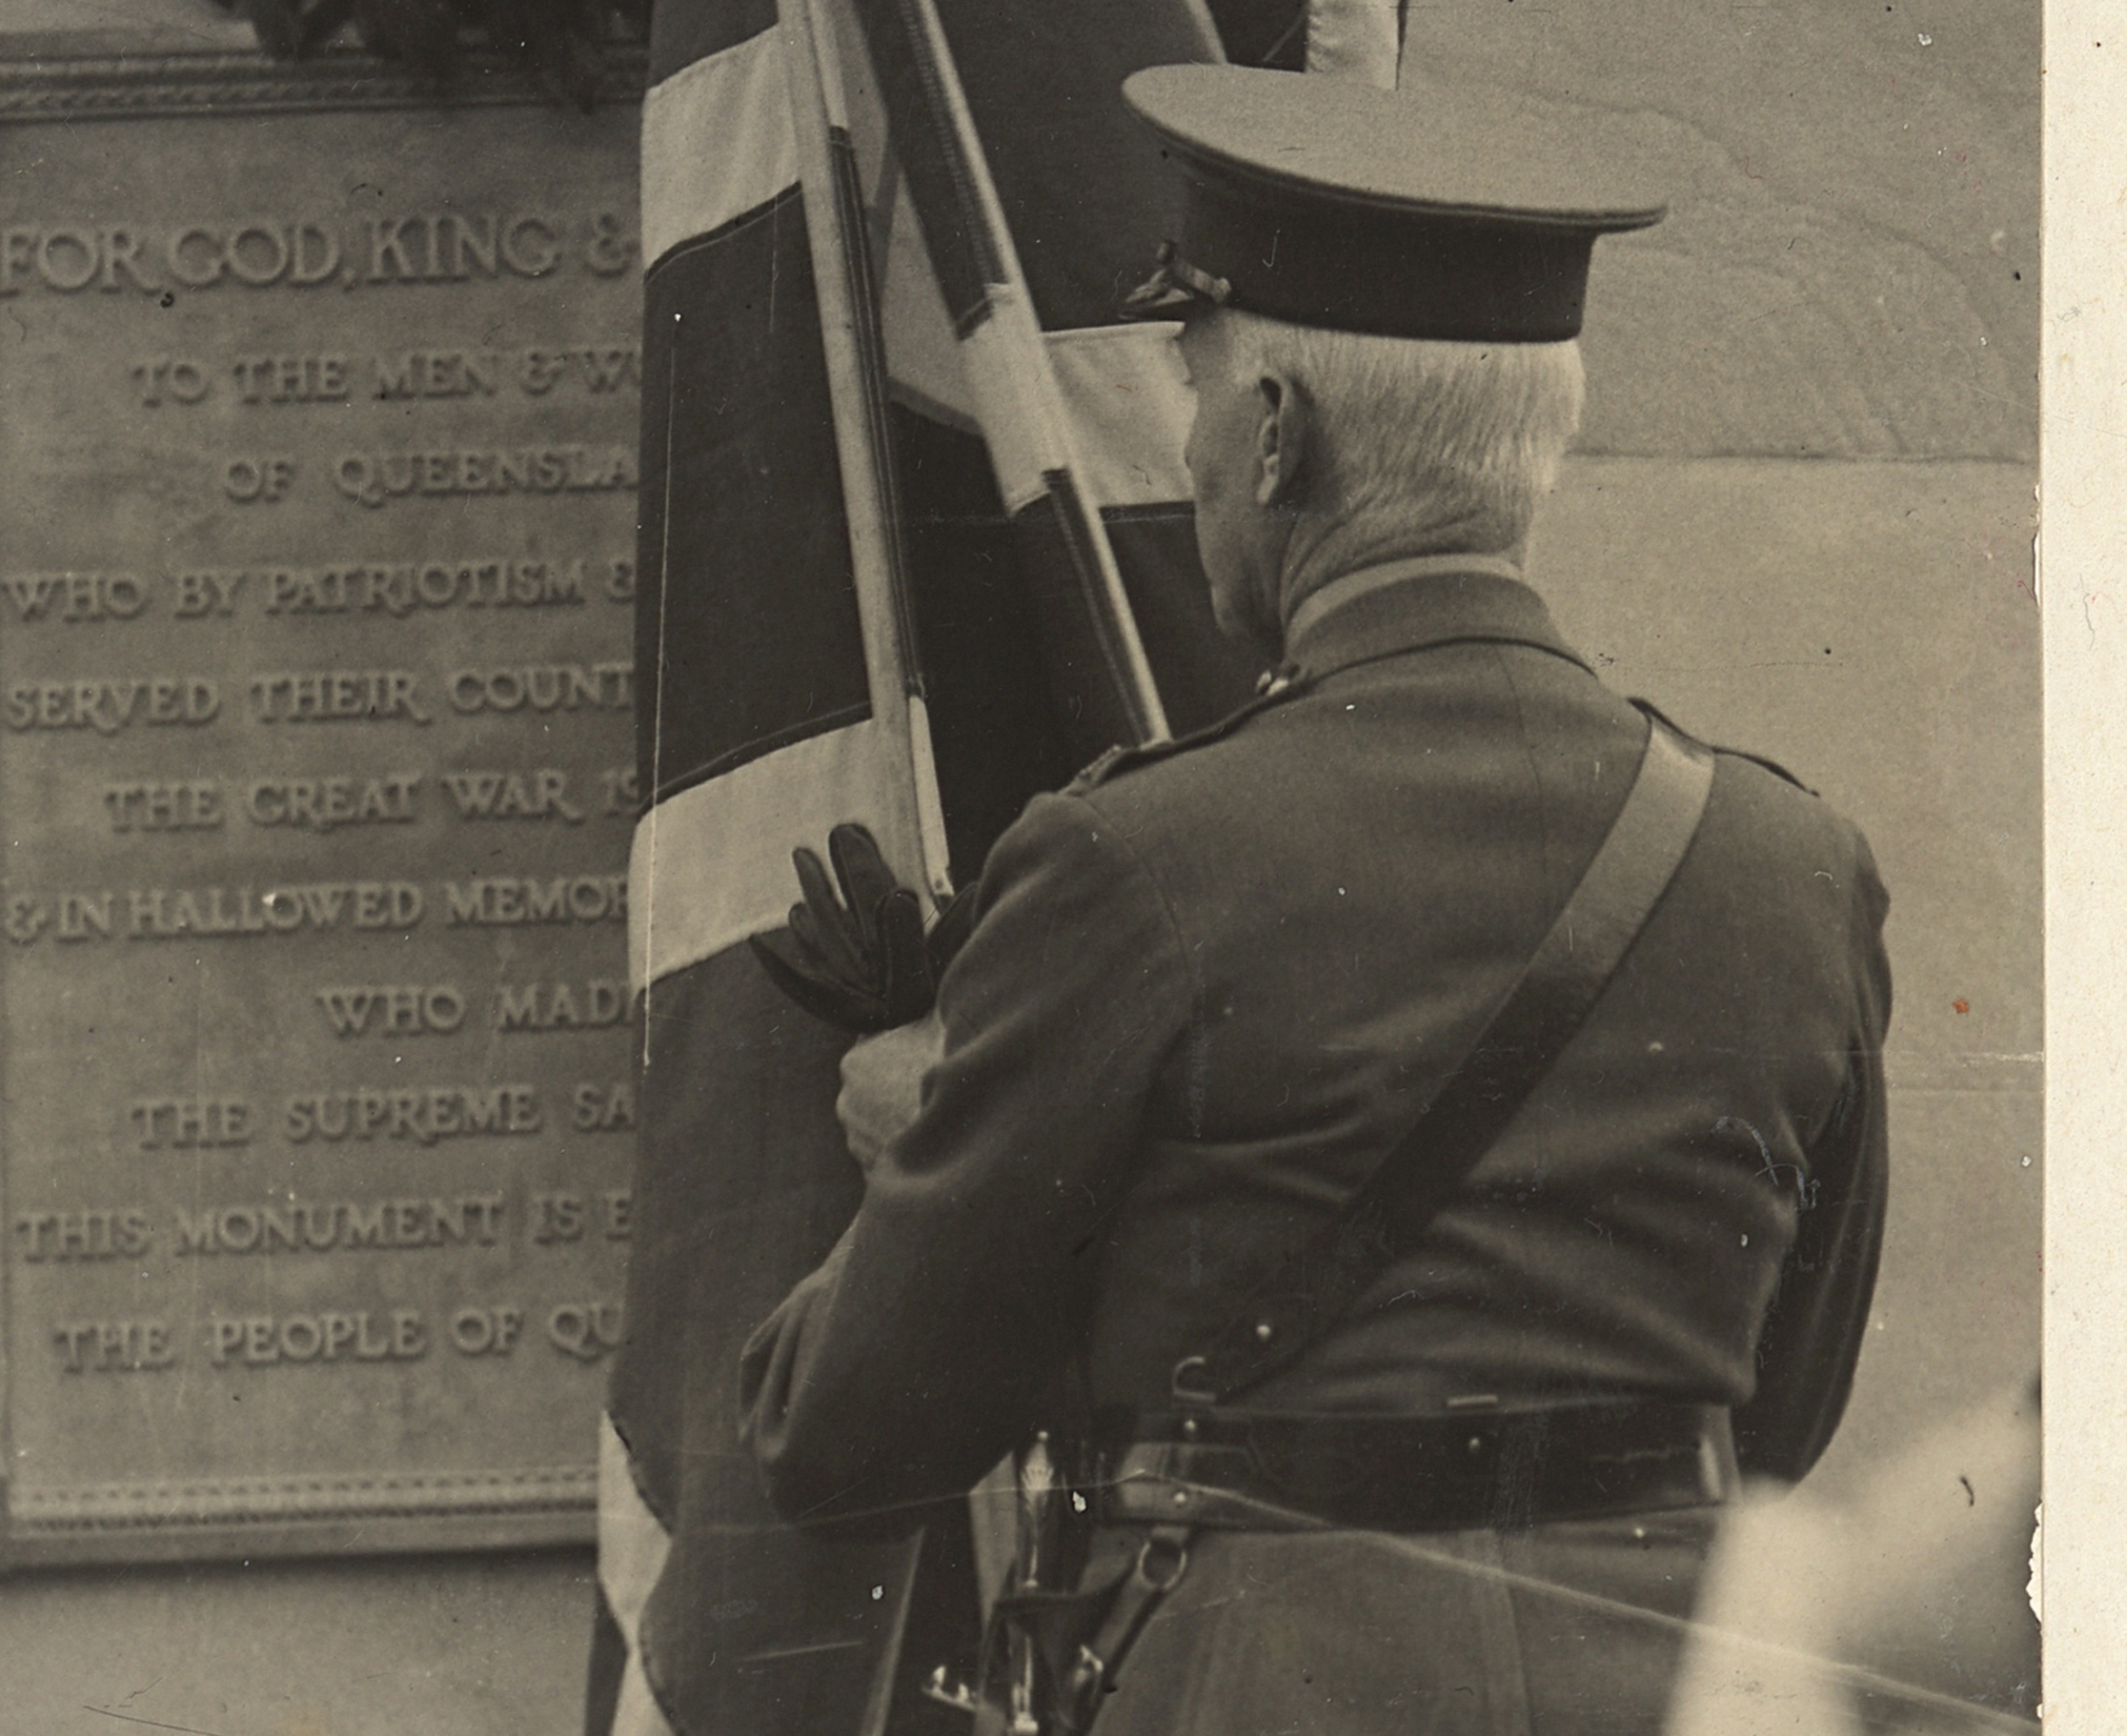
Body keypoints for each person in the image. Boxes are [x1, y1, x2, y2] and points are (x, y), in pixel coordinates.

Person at [738, 64, 1892, 1735]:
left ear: (1277, 434)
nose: (1194, 442)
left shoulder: (1130, 861)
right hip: (1678, 1683)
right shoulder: (1795, 865)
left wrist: (921, 1119)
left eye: (1197, 388)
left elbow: (837, 1437)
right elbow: (1780, 1410)